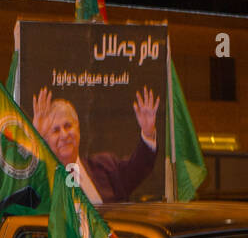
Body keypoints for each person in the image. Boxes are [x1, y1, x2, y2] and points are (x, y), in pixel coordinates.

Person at [32, 87, 160, 204]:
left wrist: (148, 134)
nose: (64, 135)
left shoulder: (106, 166)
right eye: (55, 130)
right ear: (45, 140)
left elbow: (137, 169)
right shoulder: (41, 182)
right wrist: (33, 140)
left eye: (68, 126)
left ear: (78, 129)